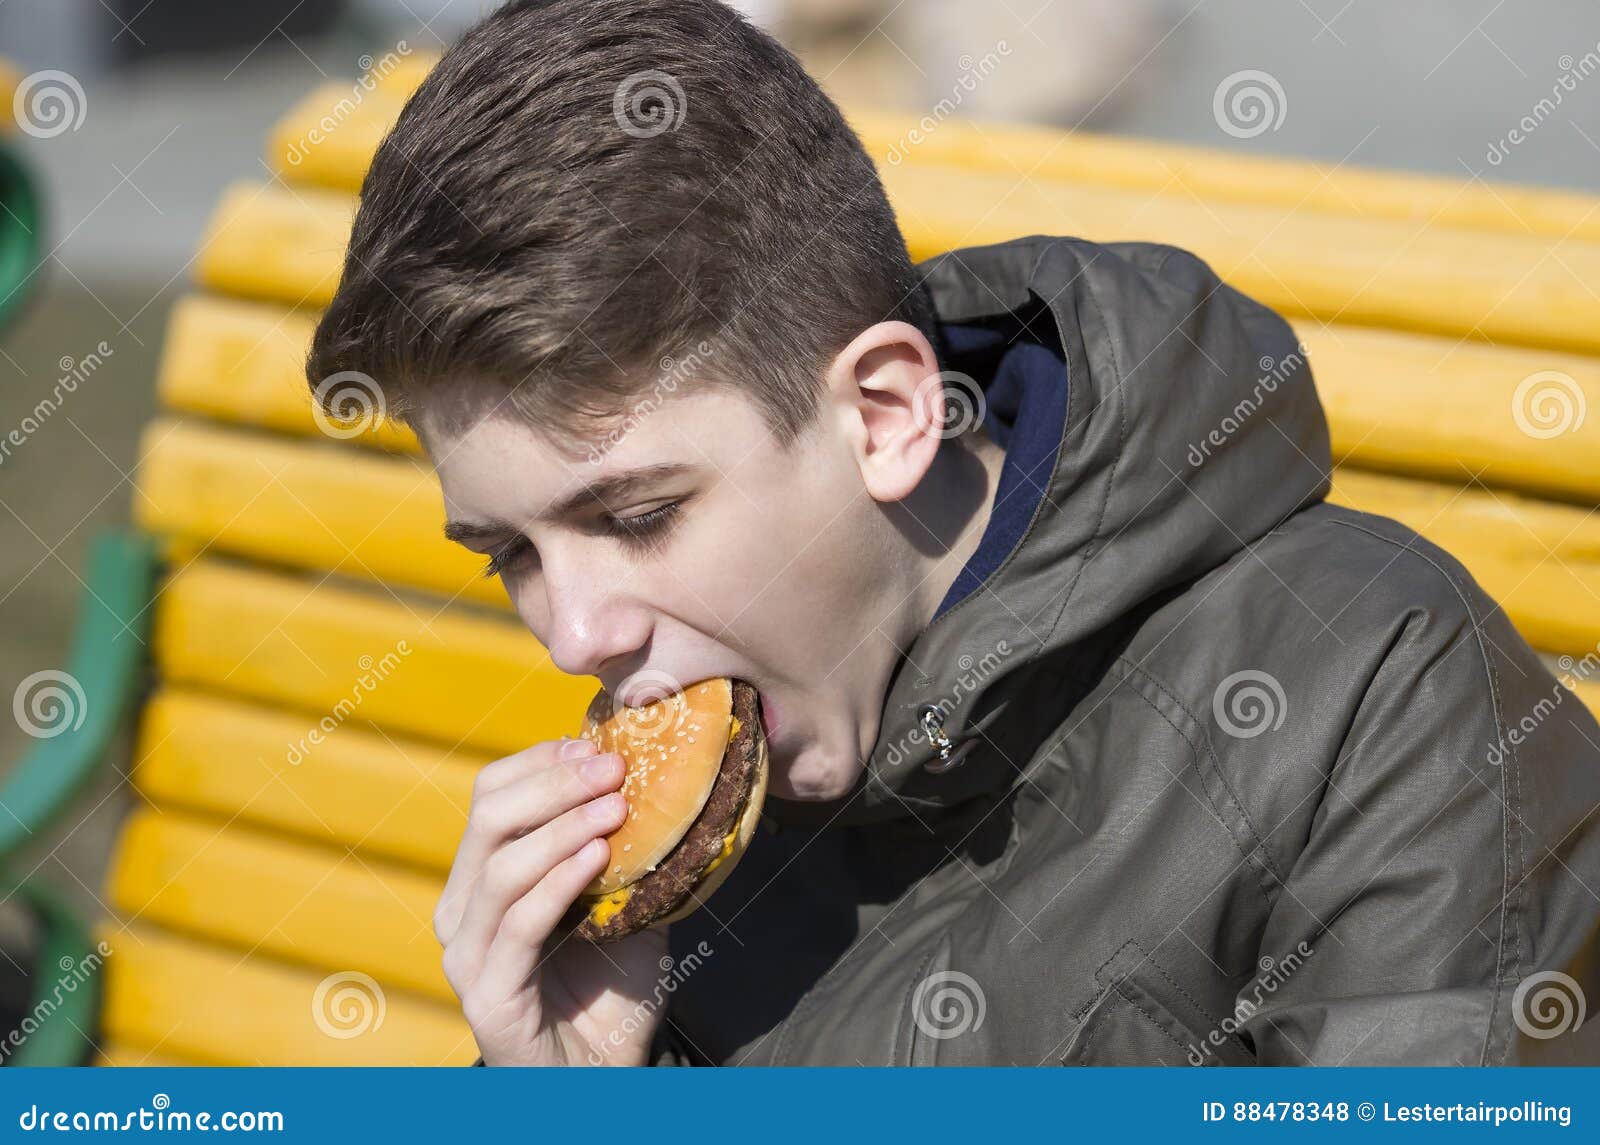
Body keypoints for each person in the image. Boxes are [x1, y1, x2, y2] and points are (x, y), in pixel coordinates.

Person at [304, 0, 1600, 1066]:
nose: (575, 636)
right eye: (509, 552)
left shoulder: (1378, 702)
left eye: (639, 515)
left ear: (885, 413)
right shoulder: (677, 888)